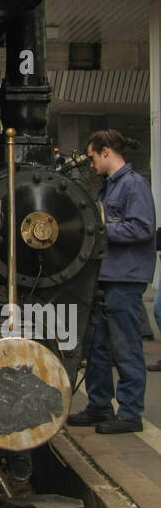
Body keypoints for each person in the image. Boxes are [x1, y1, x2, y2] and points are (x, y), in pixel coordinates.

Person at [67, 130, 156, 434]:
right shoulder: (109, 187)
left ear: (105, 152)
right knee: (98, 348)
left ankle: (130, 414)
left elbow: (143, 228)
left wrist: (101, 230)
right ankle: (99, 406)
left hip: (125, 280)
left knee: (125, 348)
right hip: (106, 278)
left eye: (92, 157)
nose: (90, 164)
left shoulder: (134, 186)